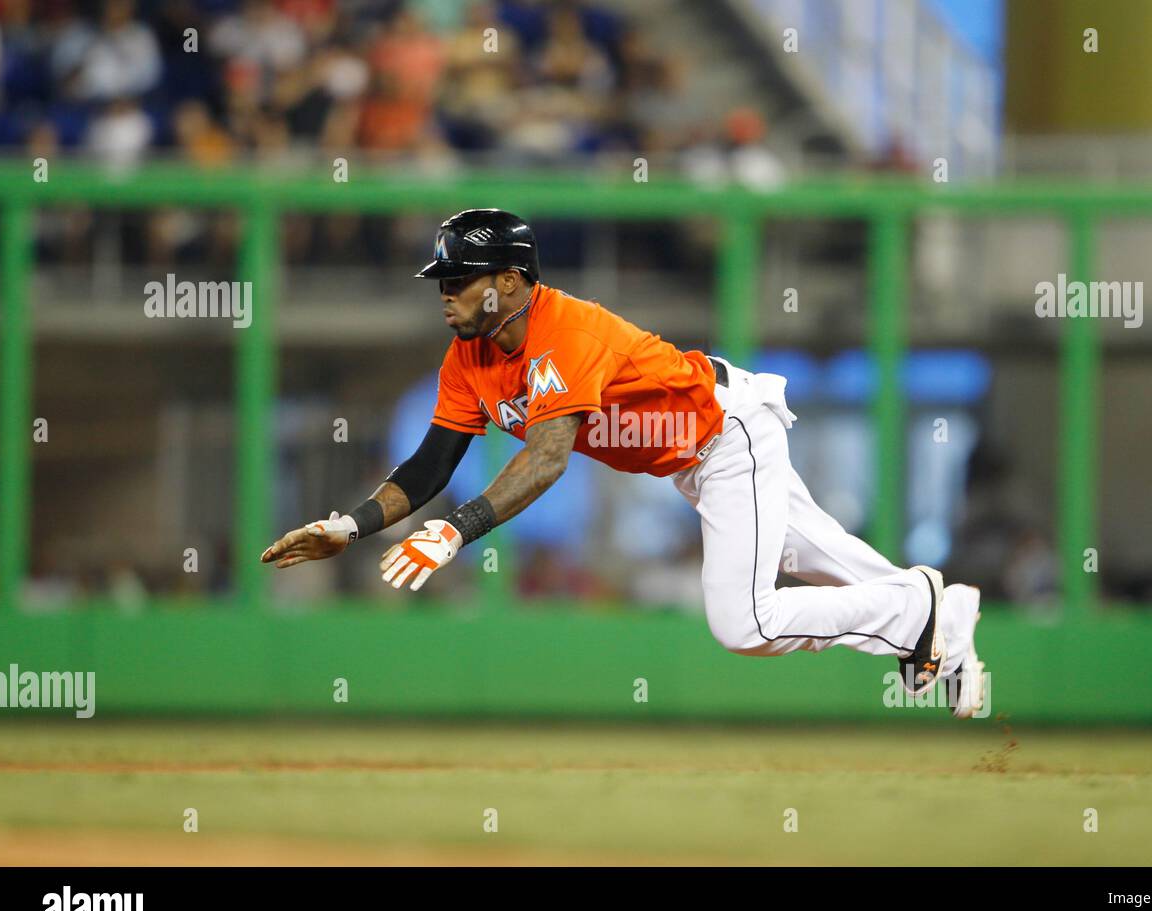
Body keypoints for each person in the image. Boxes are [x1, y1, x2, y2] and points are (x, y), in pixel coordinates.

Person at [261, 209, 987, 717]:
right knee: (824, 561)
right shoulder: (471, 356)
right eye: (444, 280)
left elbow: (548, 461)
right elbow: (430, 463)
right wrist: (351, 527)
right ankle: (943, 628)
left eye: (461, 279)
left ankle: (915, 607)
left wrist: (455, 533)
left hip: (724, 435)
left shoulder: (564, 333)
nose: (446, 293)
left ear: (510, 282)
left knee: (747, 623)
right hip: (690, 454)